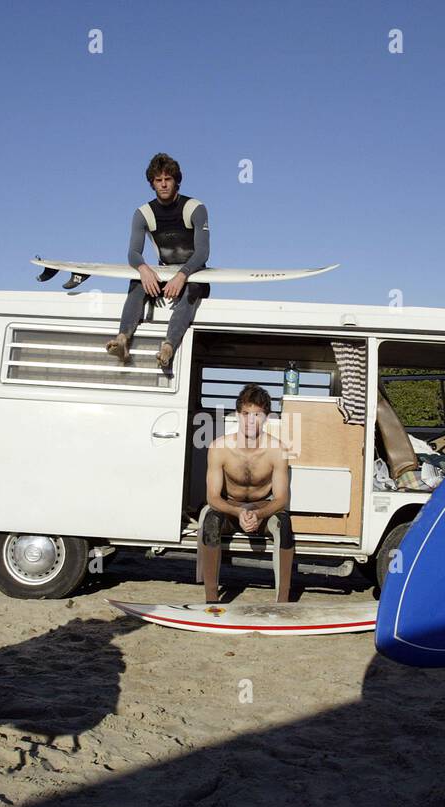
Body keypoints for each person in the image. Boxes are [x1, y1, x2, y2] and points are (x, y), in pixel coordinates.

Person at [105, 152, 210, 370]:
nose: (163, 184)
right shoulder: (143, 213)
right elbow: (133, 252)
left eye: (168, 179)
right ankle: (123, 338)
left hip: (194, 274)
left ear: (176, 181)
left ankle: (169, 346)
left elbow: (203, 252)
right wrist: (143, 268)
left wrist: (183, 275)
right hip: (165, 273)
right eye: (158, 180)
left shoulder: (195, 208)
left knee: (193, 289)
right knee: (137, 282)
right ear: (152, 183)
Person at [200, 385, 296, 603]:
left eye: (257, 414)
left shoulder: (277, 450)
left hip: (262, 509)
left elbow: (281, 499)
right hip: (229, 508)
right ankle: (212, 600)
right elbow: (213, 497)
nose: (251, 420)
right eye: (246, 414)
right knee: (210, 520)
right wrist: (240, 511)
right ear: (237, 415)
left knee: (285, 524)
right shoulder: (219, 448)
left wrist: (258, 515)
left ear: (267, 418)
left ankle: (282, 603)